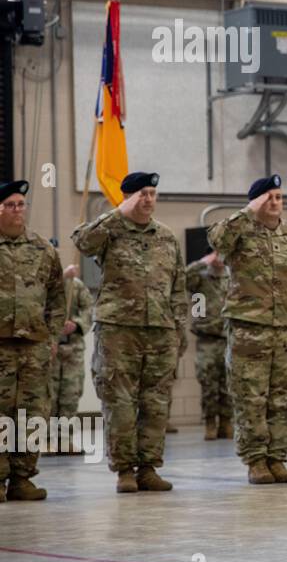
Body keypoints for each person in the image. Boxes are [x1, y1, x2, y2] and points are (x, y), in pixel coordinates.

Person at [72, 172, 187, 494]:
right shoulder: (110, 230)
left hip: (161, 330)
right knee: (119, 401)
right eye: (141, 194)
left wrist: (179, 327)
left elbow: (179, 286)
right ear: (126, 198)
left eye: (152, 193)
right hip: (118, 330)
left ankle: (148, 468)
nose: (148, 199)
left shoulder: (166, 236)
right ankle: (123, 469)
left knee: (156, 402)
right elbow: (81, 241)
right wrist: (116, 214)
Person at [208, 174, 287, 485]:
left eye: (279, 197)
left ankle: (277, 458)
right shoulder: (240, 234)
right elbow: (217, 241)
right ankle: (256, 460)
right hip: (249, 329)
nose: (275, 202)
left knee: (284, 397)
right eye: (268, 197)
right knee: (251, 397)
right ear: (256, 201)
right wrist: (248, 211)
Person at [0, 180, 64, 501]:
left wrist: (51, 337)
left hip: (34, 347)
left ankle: (22, 478)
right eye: (9, 205)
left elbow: (56, 297)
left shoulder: (42, 249)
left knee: (32, 413)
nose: (17, 210)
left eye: (20, 204)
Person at [184, 249, 232, 440]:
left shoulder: (232, 276)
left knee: (229, 384)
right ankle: (210, 422)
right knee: (208, 382)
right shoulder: (200, 279)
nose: (219, 257)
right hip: (208, 339)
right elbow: (183, 277)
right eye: (216, 253)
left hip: (229, 338)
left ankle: (227, 422)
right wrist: (203, 262)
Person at [49, 266, 93, 445]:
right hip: (49, 348)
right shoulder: (46, 285)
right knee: (49, 395)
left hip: (72, 348)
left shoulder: (78, 287)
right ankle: (48, 439)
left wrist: (76, 324)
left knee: (71, 394)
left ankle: (65, 439)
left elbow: (88, 310)